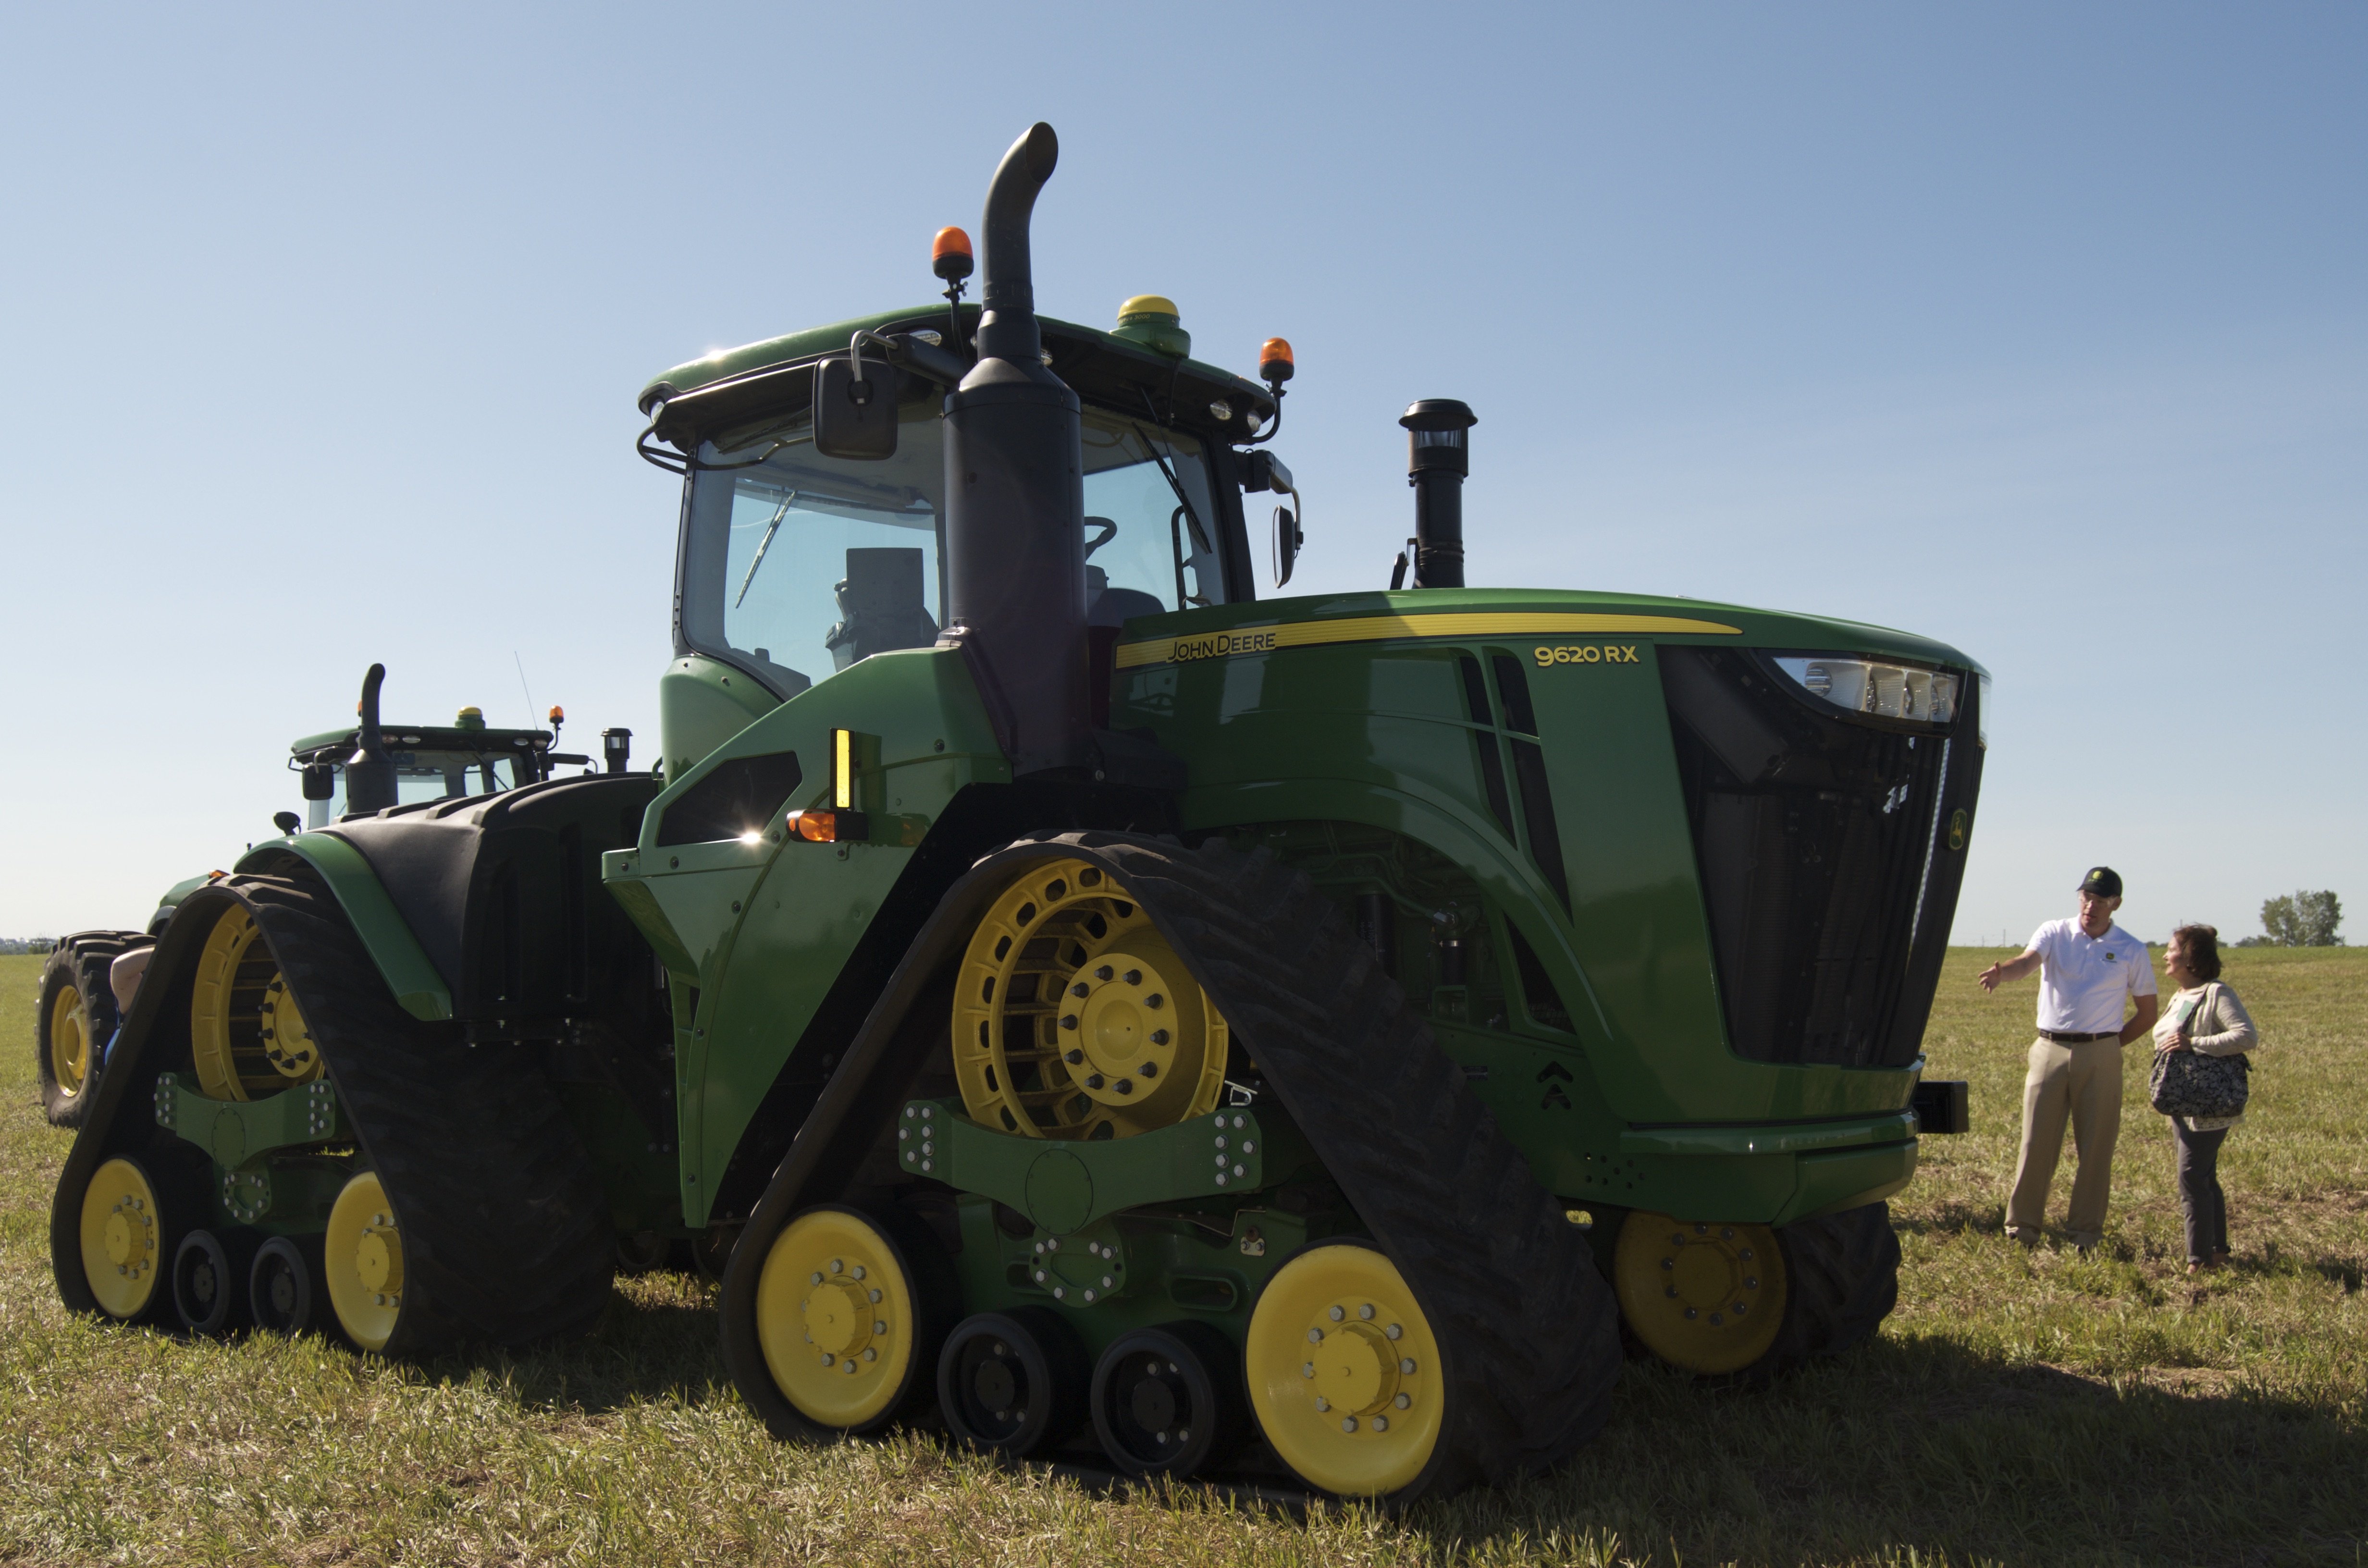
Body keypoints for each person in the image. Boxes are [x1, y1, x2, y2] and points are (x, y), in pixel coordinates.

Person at [1977, 867, 2159, 1251]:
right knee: (2035, 1142)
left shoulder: (2132, 949)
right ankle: (2022, 1228)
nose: (2090, 906)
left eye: (2100, 900)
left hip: (2102, 1054)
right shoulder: (2054, 932)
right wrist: (2002, 973)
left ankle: (2085, 1234)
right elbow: (2026, 962)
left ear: (2116, 905)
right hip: (2049, 1051)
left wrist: (2108, 1047)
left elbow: (2147, 1013)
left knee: (2096, 1147)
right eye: (2085, 897)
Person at [2152, 923, 2258, 1274]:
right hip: (2182, 1101)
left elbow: (2245, 1036)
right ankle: (2217, 1252)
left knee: (2191, 1176)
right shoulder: (2180, 995)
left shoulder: (2217, 993)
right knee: (2204, 1176)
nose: (2165, 955)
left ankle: (2197, 1261)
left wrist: (2195, 1044)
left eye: (2172, 949)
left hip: (2207, 1103)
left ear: (2191, 958)